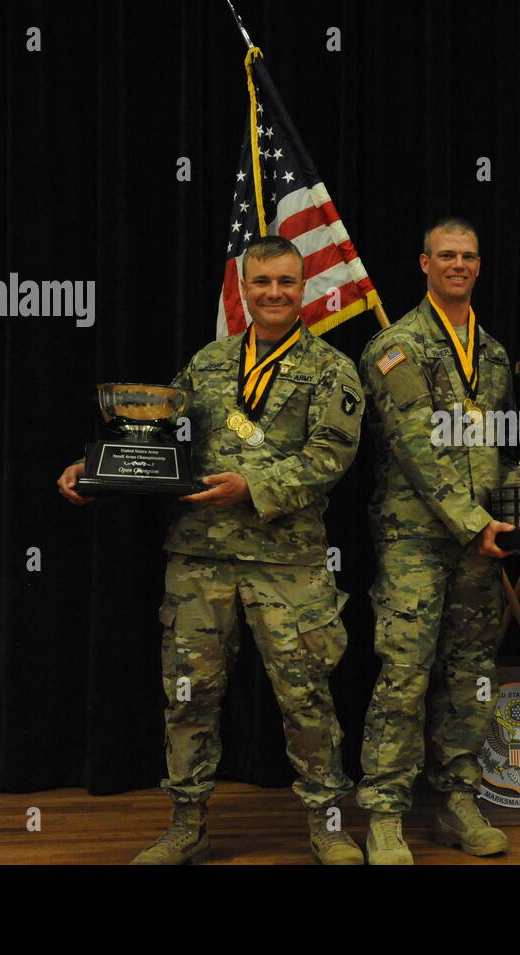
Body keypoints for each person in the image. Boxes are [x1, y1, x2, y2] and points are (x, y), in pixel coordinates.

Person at [56, 235, 366, 865]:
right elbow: (156, 439)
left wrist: (254, 485)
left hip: (288, 563)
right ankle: (187, 823)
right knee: (189, 695)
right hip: (200, 559)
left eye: (286, 281)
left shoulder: (333, 369)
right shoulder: (208, 363)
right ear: (243, 289)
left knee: (305, 697)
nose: (274, 293)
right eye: (262, 282)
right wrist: (96, 474)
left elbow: (331, 458)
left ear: (302, 287)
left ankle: (328, 824)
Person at [356, 217, 516, 864]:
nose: (458, 264)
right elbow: (416, 445)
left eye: (468, 256)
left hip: (481, 544)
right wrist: (474, 521)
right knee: (404, 672)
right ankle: (386, 813)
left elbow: (495, 451)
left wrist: (511, 516)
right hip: (415, 540)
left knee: (470, 673)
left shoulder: (498, 354)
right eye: (446, 255)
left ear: (479, 265)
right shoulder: (394, 347)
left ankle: (457, 799)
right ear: (424, 263)